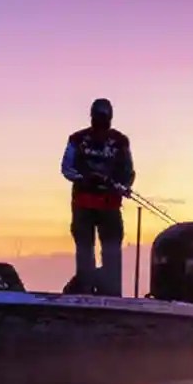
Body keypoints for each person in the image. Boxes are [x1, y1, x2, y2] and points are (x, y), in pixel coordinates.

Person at [60, 98, 135, 296]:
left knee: (111, 252)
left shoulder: (120, 142)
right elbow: (67, 168)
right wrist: (86, 179)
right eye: (99, 118)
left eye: (104, 119)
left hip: (109, 207)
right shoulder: (77, 139)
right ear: (92, 117)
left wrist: (120, 186)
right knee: (85, 251)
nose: (101, 123)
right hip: (83, 205)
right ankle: (84, 291)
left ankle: (111, 293)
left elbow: (128, 173)